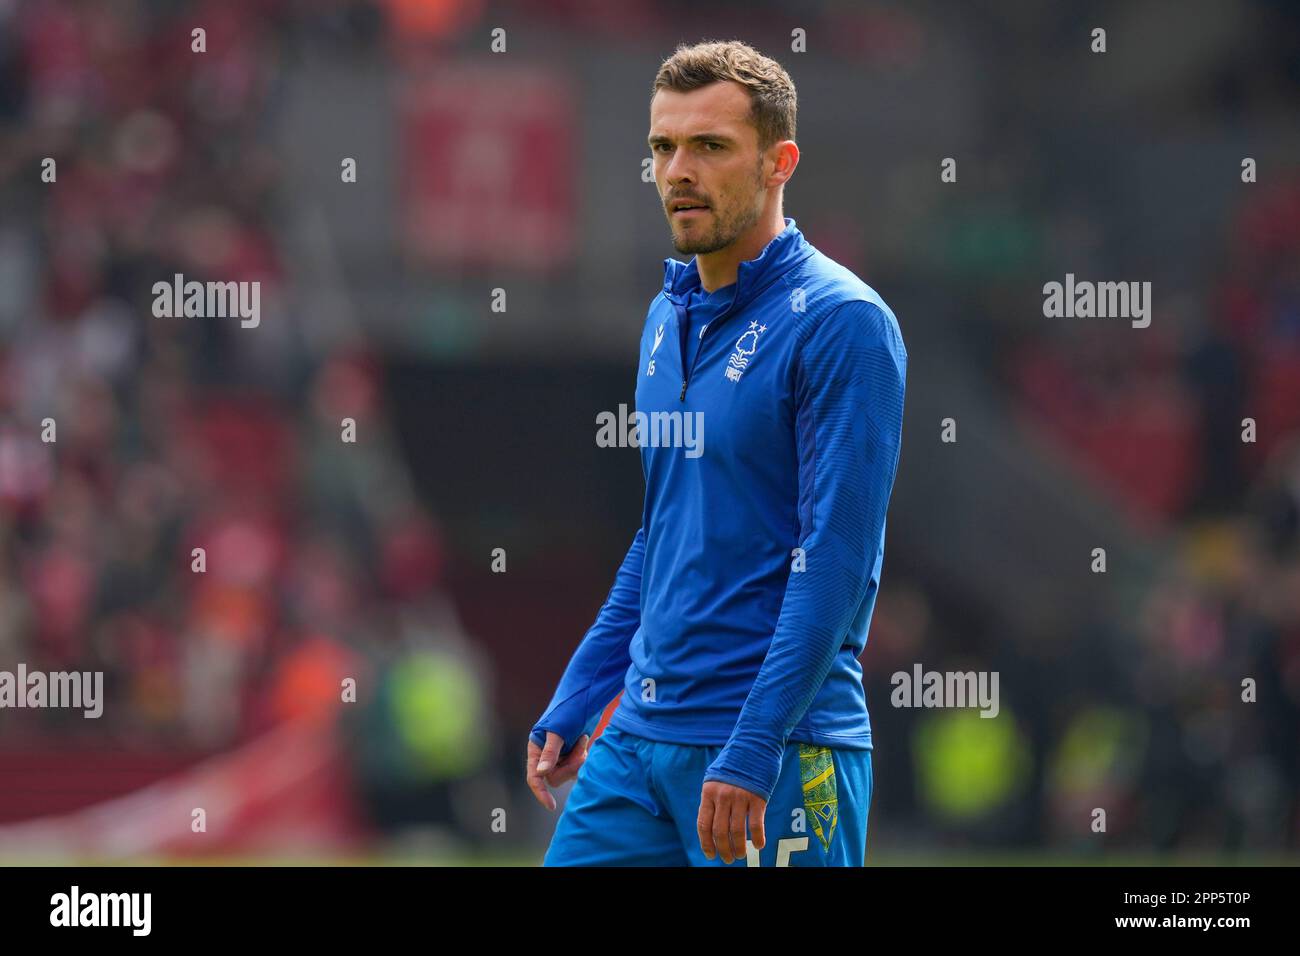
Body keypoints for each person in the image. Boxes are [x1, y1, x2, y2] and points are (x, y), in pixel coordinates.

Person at [526, 39, 907, 866]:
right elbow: (664, 533)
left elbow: (837, 559)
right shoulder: (666, 319)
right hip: (640, 742)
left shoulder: (843, 323)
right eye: (663, 147)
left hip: (778, 747)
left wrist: (755, 743)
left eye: (710, 146)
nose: (678, 170)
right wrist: (584, 688)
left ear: (780, 162)